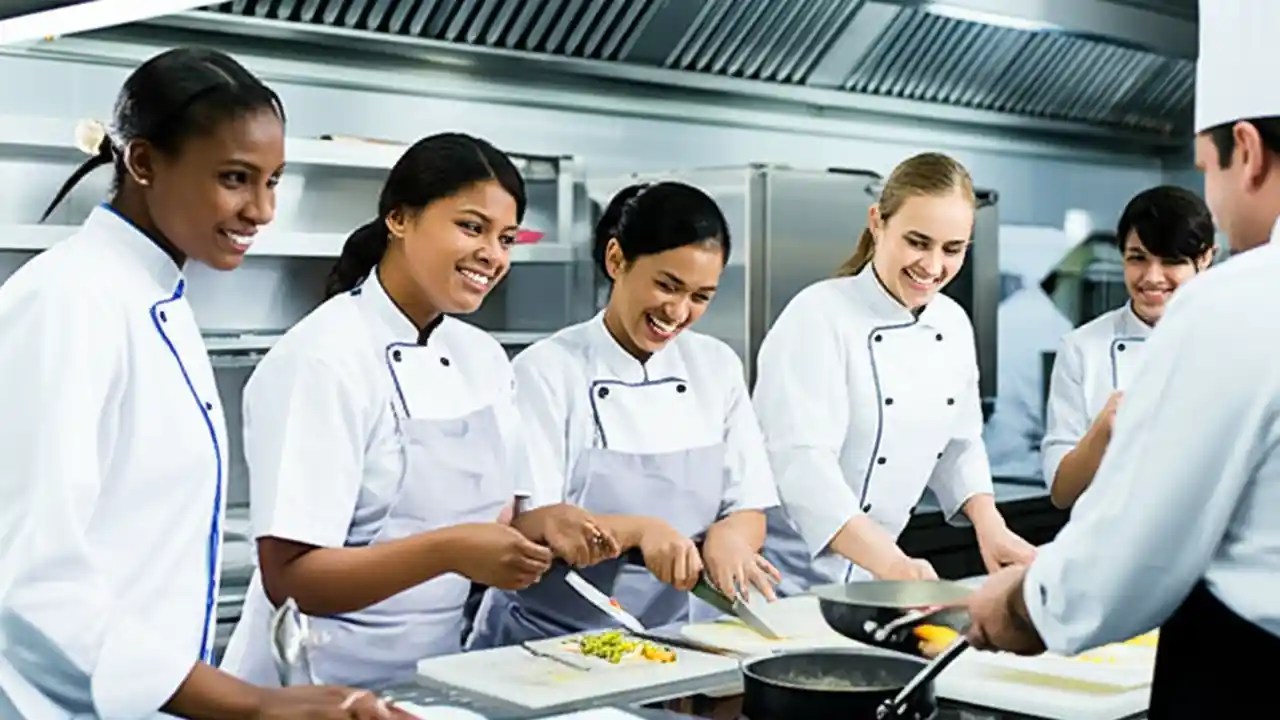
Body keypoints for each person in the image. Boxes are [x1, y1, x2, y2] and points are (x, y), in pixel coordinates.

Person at [0, 47, 398, 719]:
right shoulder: (70, 301)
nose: (263, 209)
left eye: (273, 180)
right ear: (144, 163)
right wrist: (251, 705)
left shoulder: (157, 298)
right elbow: (26, 584)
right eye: (236, 178)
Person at [964, 1, 1280, 714]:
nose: (1216, 197)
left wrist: (1020, 605)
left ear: (1248, 152)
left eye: (1208, 168)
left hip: (1248, 673)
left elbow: (1140, 554)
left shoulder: (1237, 304)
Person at [220, 132, 616, 689]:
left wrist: (548, 521)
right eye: (471, 227)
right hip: (309, 685)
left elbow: (502, 518)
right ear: (399, 218)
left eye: (506, 238)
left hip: (429, 681)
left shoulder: (482, 358)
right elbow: (292, 578)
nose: (493, 255)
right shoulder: (322, 359)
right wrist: (450, 550)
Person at [467, 181, 781, 649]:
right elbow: (531, 524)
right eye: (667, 285)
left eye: (701, 296)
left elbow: (748, 505)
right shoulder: (548, 369)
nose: (678, 312)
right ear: (616, 260)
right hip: (547, 643)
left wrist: (731, 538)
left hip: (670, 642)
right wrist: (639, 531)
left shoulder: (716, 367)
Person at [752, 152, 1036, 595]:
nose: (933, 266)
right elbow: (800, 461)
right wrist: (892, 562)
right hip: (781, 580)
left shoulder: (953, 323)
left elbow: (959, 445)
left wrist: (990, 525)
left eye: (953, 249)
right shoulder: (818, 315)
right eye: (918, 242)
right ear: (877, 222)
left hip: (873, 580)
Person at [1041, 186, 1215, 508]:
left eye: (1172, 261)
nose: (1152, 277)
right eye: (1138, 258)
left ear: (1205, 259)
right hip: (1108, 547)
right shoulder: (1082, 349)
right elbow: (1061, 493)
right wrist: (1102, 432)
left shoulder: (1232, 343)